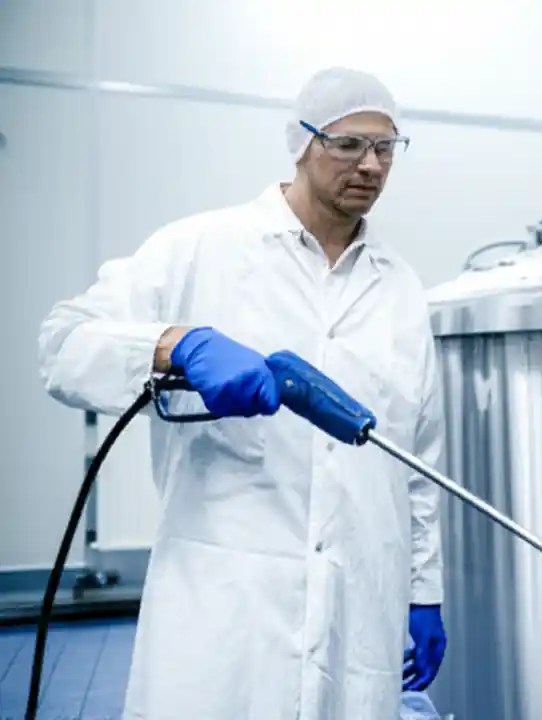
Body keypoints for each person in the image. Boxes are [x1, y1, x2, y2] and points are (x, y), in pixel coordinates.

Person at [37, 67, 448, 719]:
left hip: (358, 606)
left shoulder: (399, 288)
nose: (370, 165)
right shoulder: (202, 247)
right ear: (301, 142)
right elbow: (64, 343)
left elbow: (418, 462)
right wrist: (178, 344)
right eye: (349, 144)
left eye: (386, 148)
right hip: (226, 612)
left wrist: (425, 591)